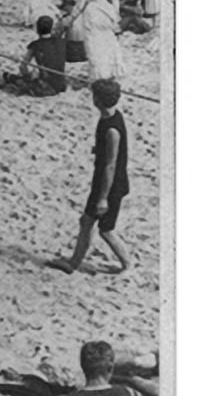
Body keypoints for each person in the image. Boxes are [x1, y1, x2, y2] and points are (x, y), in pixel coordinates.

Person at [47, 79, 130, 274]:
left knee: (105, 229)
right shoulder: (112, 117)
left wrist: (102, 198)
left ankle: (126, 265)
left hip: (108, 186)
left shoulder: (111, 130)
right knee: (87, 222)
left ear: (98, 100)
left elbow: (110, 166)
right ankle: (74, 262)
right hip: (107, 182)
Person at [72, 0, 124, 81]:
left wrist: (72, 17)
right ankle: (110, 73)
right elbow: (115, 2)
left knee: (94, 43)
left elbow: (80, 3)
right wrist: (116, 18)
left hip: (93, 11)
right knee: (107, 42)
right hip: (107, 11)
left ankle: (97, 76)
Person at [2, 16, 68, 95]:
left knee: (11, 78)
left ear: (37, 29)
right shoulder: (61, 42)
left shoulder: (35, 45)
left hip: (46, 87)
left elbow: (23, 67)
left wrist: (27, 77)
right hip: (62, 85)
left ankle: (11, 78)